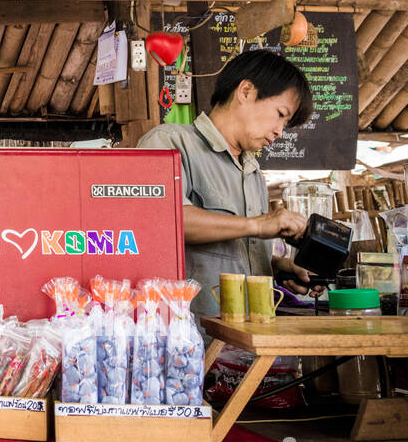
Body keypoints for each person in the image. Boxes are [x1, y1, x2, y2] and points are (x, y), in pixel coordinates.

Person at [137, 49, 326, 318]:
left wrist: (280, 268)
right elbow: (163, 221)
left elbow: (237, 253)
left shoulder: (253, 173)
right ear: (246, 91)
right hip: (193, 343)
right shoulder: (170, 143)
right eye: (280, 114)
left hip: (250, 341)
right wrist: (259, 224)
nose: (279, 132)